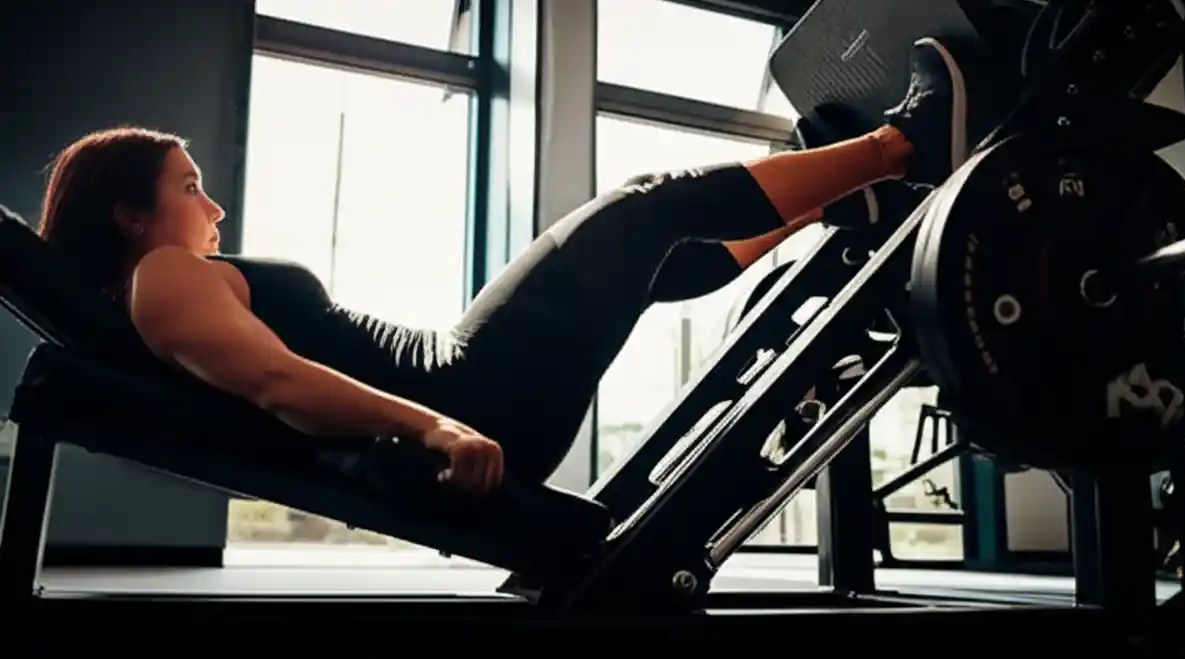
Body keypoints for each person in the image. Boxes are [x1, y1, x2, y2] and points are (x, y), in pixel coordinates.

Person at [37, 38, 971, 499]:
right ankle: (908, 143)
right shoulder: (161, 276)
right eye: (191, 187)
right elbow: (279, 383)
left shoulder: (161, 288)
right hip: (474, 390)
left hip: (479, 386)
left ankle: (836, 195)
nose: (215, 207)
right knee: (640, 208)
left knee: (645, 256)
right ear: (130, 212)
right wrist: (440, 425)